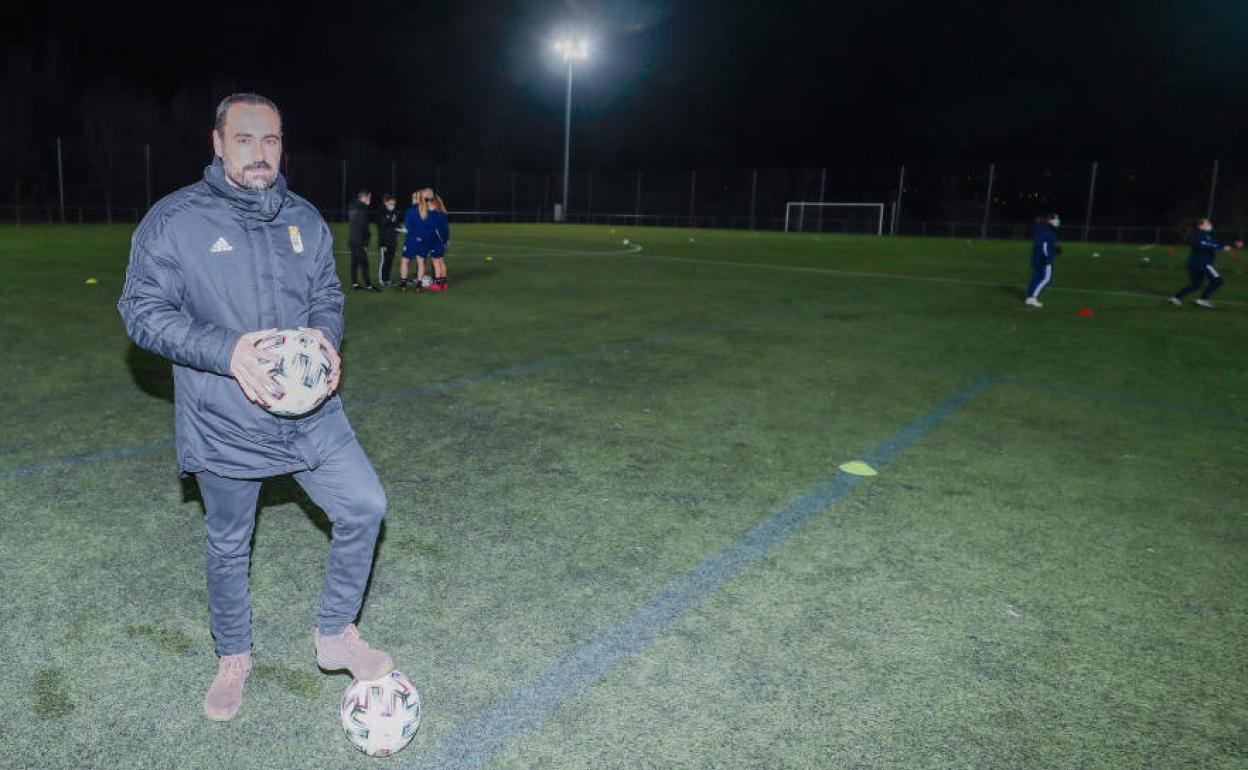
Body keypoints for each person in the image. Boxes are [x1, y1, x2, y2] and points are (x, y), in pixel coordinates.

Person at [117, 93, 393, 722]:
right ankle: (234, 656)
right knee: (229, 543)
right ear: (218, 144)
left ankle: (335, 634)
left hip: (311, 412)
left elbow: (327, 293)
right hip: (225, 417)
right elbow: (140, 310)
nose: (259, 153)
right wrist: (228, 351)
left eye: (270, 140)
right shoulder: (175, 220)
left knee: (365, 505)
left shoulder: (304, 218)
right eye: (244, 140)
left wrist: (324, 338)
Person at [1168, 218, 1243, 308]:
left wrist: (1233, 244)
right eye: (1207, 223)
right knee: (1218, 280)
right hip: (1203, 263)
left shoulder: (1206, 235)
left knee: (1196, 284)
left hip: (1194, 263)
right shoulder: (1200, 235)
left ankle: (1175, 297)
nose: (1210, 225)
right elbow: (1205, 244)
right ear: (1201, 226)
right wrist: (1222, 247)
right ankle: (1203, 299)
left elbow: (1217, 243)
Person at [1024, 212, 1061, 308]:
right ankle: (1032, 297)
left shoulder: (1042, 228)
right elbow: (1044, 245)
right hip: (1043, 259)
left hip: (1037, 257)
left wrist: (1054, 249)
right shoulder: (1048, 231)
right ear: (1050, 220)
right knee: (1046, 278)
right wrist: (1047, 257)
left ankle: (1029, 297)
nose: (1057, 221)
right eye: (1056, 219)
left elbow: (1043, 243)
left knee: (1036, 277)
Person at [398, 189, 430, 292]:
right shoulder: (428, 210)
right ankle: (418, 286)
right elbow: (430, 227)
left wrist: (416, 235)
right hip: (424, 241)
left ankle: (403, 285)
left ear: (416, 199)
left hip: (412, 240)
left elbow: (408, 226)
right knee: (421, 262)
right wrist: (422, 236)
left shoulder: (411, 210)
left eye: (413, 198)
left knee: (405, 261)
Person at [348, 189, 378, 292]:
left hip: (352, 239)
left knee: (355, 263)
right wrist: (365, 242)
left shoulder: (353, 207)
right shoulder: (361, 209)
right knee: (364, 263)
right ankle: (368, 286)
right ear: (364, 198)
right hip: (359, 241)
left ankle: (355, 284)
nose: (370, 200)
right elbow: (363, 227)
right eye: (369, 197)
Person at [426, 191, 451, 291]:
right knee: (441, 261)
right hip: (442, 242)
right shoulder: (442, 214)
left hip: (435, 241)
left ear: (433, 203)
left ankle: (437, 284)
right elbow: (446, 230)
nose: (427, 204)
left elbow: (432, 229)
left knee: (436, 262)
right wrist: (446, 241)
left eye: (428, 202)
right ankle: (444, 283)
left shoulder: (433, 214)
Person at [377, 193, 399, 288]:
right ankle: (382, 280)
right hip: (384, 241)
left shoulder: (394, 212)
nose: (392, 206)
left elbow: (396, 224)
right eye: (391, 204)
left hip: (393, 240)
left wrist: (400, 228)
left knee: (390, 260)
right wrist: (390, 219)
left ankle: (387, 279)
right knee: (384, 261)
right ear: (385, 203)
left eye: (394, 204)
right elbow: (382, 225)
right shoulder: (380, 212)